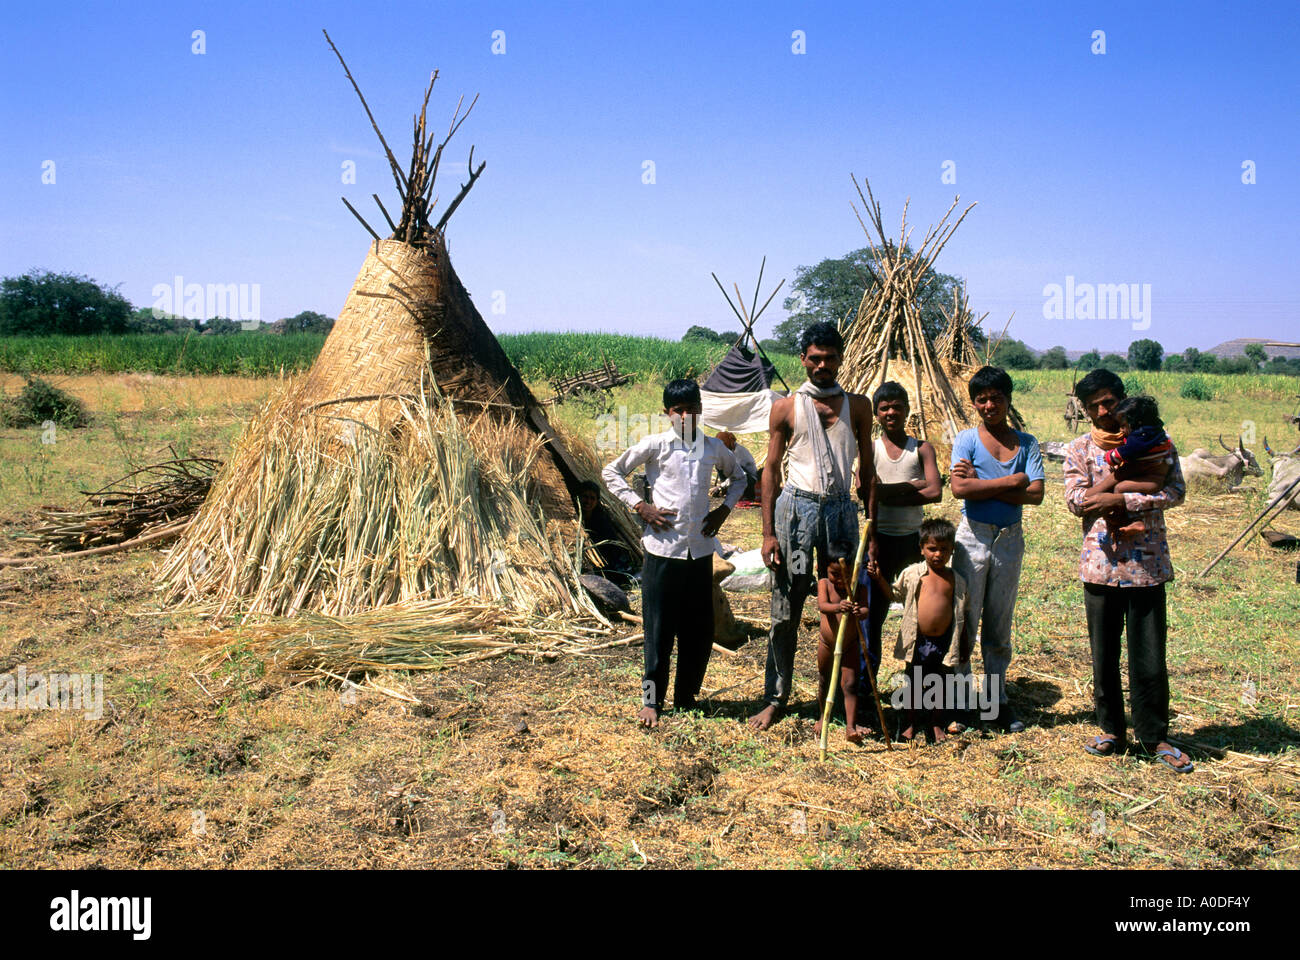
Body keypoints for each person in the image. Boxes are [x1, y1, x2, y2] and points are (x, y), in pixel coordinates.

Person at [748, 322, 876, 732]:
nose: (822, 365)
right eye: (814, 358)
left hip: (841, 513)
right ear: (802, 359)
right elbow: (770, 469)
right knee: (785, 608)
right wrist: (768, 532)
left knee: (844, 608)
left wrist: (870, 530)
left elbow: (868, 471)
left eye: (830, 358)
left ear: (841, 359)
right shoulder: (786, 407)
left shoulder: (858, 407)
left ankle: (837, 700)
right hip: (797, 512)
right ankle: (775, 697)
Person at [1064, 369, 1193, 773]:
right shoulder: (1080, 449)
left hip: (1146, 565)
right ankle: (1111, 731)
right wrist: (1113, 495)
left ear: (1122, 399)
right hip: (1100, 566)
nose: (1104, 411)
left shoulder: (1156, 440)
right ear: (1084, 411)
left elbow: (1175, 492)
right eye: (1094, 405)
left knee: (1150, 657)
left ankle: (1154, 736)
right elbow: (1074, 501)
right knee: (1103, 654)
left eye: (1109, 401)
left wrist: (1127, 500)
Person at [602, 378, 747, 729]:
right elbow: (612, 472)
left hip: (699, 554)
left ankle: (686, 696)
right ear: (667, 413)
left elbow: (741, 478)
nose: (686, 417)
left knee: (698, 629)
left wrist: (724, 509)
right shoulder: (657, 445)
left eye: (692, 410)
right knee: (658, 629)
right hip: (662, 552)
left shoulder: (712, 447)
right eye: (678, 411)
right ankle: (652, 700)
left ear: (700, 411)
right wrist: (641, 506)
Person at [949, 366, 1044, 733]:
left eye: (997, 397)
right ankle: (959, 699)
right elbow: (959, 490)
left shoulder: (1027, 443)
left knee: (999, 621)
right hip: (972, 534)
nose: (990, 405)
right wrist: (1013, 481)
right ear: (974, 403)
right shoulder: (966, 440)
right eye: (982, 399)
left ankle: (995, 700)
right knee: (964, 618)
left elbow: (1035, 494)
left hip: (1009, 538)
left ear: (1008, 399)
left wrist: (983, 482)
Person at [862, 381, 942, 701]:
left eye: (897, 406)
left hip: (912, 542)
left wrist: (882, 493)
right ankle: (867, 688)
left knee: (919, 616)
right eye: (885, 407)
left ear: (908, 410)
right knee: (871, 614)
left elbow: (935, 491)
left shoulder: (921, 448)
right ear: (876, 414)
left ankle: (918, 687)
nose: (891, 412)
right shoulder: (869, 449)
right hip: (877, 541)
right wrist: (910, 487)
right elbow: (863, 492)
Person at [867, 517, 971, 744]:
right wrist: (878, 578)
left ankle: (935, 722)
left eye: (944, 549)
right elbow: (894, 594)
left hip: (944, 641)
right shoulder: (913, 574)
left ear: (952, 549)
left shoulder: (956, 580)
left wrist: (963, 643)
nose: (938, 554)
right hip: (917, 640)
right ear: (921, 548)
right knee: (913, 683)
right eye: (932, 548)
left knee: (941, 684)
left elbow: (961, 615)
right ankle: (910, 722)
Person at [1084, 396, 1173, 538]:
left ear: (1135, 424)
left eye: (1124, 425)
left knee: (1120, 488)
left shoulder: (1140, 439)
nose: (1122, 429)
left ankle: (1129, 520)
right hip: (1154, 478)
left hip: (1152, 480)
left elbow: (1124, 453)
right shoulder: (1157, 434)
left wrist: (1110, 457)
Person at [814, 552, 871, 744]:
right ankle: (823, 716)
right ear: (825, 570)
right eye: (835, 574)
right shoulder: (824, 584)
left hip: (850, 645)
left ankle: (851, 726)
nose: (840, 580)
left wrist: (859, 611)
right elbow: (822, 606)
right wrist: (838, 606)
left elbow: (865, 610)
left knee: (850, 684)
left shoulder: (859, 588)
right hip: (827, 643)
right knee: (824, 679)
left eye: (846, 575)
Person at [575, 480, 637, 587]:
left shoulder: (601, 522)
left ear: (597, 501)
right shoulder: (573, 518)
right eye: (585, 496)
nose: (588, 501)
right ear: (578, 497)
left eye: (592, 498)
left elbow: (611, 548)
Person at [714, 431, 759, 502]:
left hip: (750, 481)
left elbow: (738, 475)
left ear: (729, 442)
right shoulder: (729, 452)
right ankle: (727, 490)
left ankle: (742, 494)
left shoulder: (739, 452)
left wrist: (721, 486)